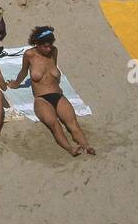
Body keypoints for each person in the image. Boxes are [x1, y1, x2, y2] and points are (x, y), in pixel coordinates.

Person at [8, 27, 94, 156]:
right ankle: (70, 149)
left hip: (58, 96)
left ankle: (86, 146)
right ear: (37, 44)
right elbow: (23, 72)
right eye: (45, 47)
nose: (49, 49)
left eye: (50, 46)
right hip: (42, 99)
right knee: (55, 125)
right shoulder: (29, 55)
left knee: (72, 123)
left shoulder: (54, 51)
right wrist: (15, 84)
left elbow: (53, 71)